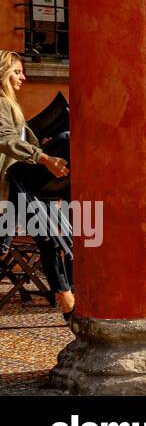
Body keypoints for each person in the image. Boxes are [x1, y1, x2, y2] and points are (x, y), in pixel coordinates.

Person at [0, 50, 74, 320]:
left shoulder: (12, 106)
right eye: (17, 72)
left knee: (53, 238)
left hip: (21, 186)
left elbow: (19, 143)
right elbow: (5, 141)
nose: (23, 77)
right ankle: (66, 296)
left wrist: (40, 148)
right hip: (11, 186)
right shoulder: (0, 104)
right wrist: (43, 158)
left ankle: (67, 296)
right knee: (50, 238)